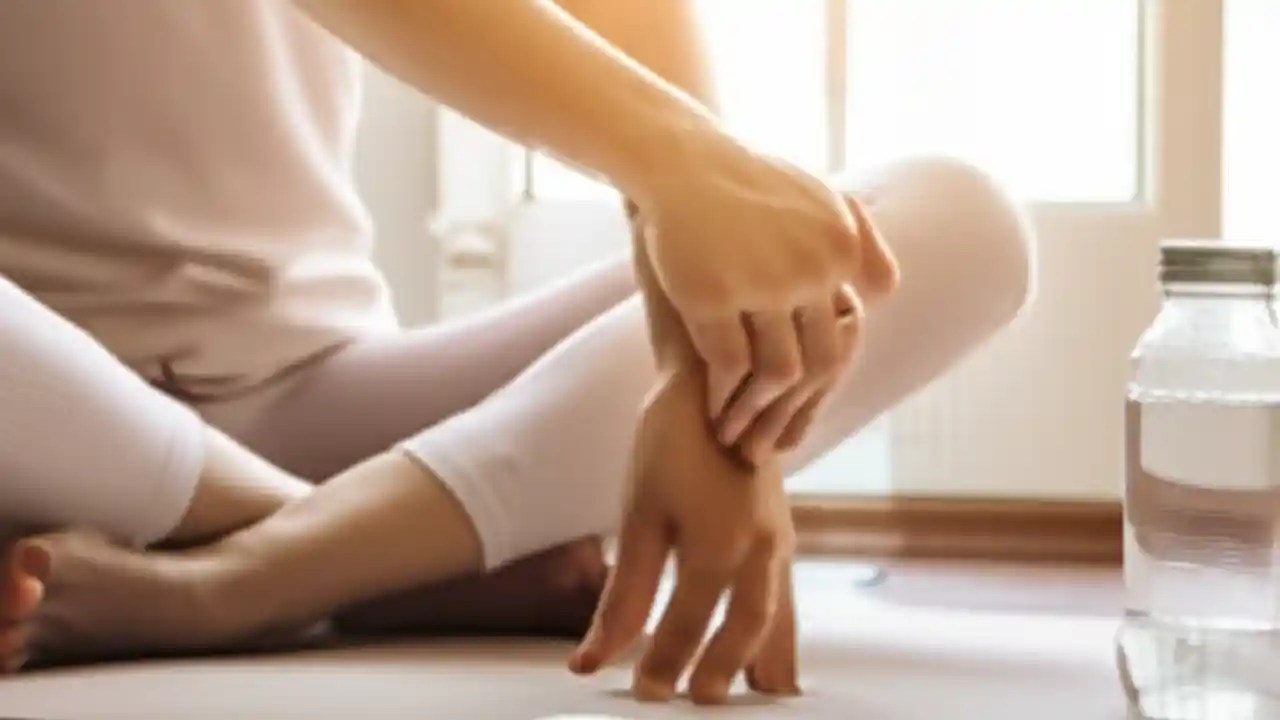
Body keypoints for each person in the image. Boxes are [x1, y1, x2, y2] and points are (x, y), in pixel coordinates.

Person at [0, 0, 1034, 703]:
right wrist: (689, 174)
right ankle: (394, 559)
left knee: (952, 218)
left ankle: (261, 570)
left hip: (324, 395)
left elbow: (628, 24)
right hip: (42, 425)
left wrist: (699, 350)